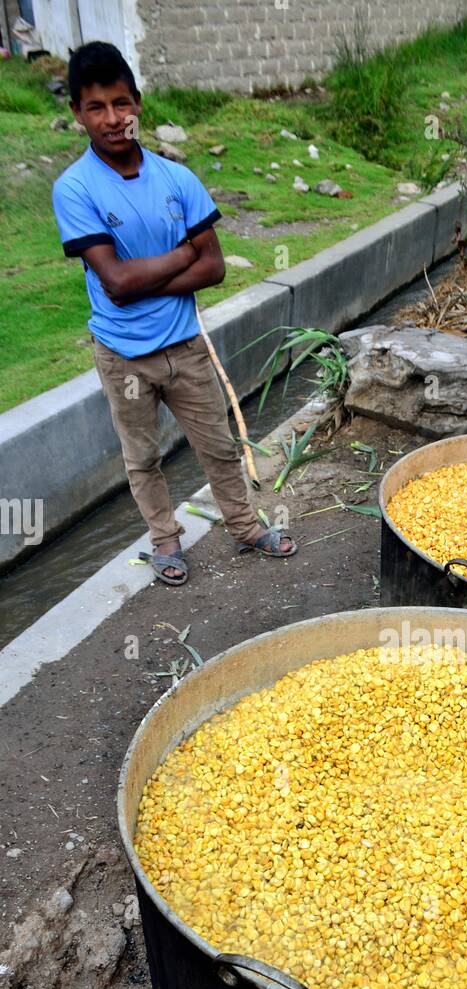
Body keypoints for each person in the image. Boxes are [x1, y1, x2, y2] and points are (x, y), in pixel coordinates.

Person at [51, 42, 295, 585]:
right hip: (123, 356)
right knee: (141, 457)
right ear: (77, 114)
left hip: (185, 346)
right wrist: (186, 251)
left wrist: (151, 273)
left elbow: (215, 269)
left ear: (138, 103)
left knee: (219, 446)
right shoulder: (74, 188)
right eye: (96, 107)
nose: (113, 120)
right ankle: (165, 542)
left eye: (121, 103)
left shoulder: (177, 179)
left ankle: (245, 528)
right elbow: (115, 285)